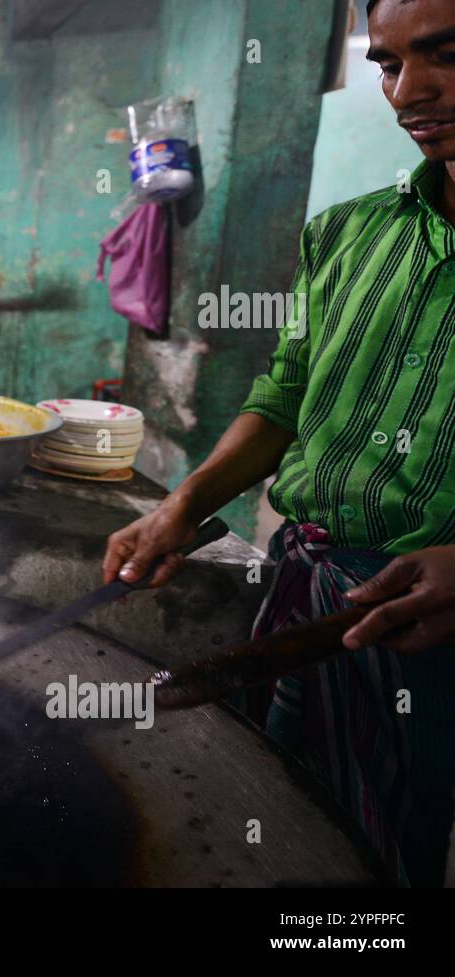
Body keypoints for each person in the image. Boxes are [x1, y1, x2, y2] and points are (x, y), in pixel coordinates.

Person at [103, 0, 455, 886]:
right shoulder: (347, 233)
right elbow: (287, 395)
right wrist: (183, 504)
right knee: (266, 835)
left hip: (435, 639)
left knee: (384, 873)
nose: (407, 93)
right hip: (305, 594)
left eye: (446, 54)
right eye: (386, 64)